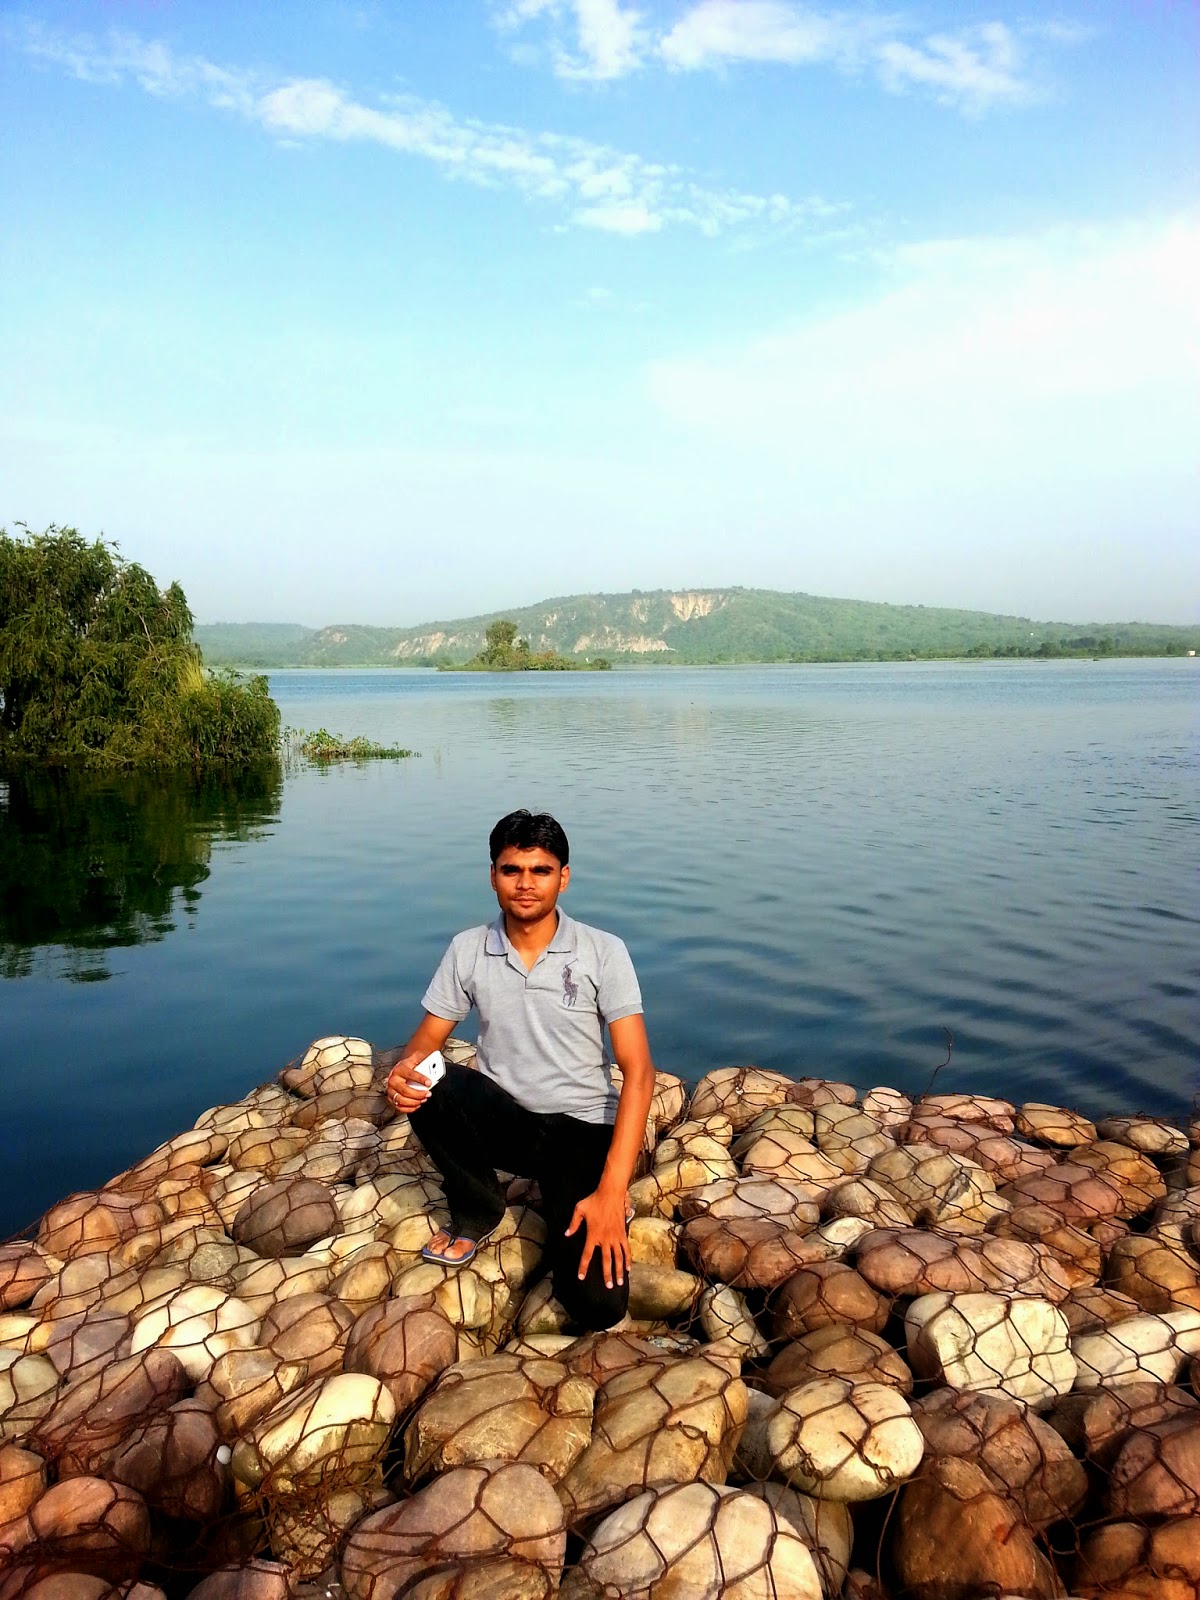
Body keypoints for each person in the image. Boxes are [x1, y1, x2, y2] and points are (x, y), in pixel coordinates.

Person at [385, 809, 655, 1331]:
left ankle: (584, 1195)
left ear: (564, 877)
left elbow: (638, 1072)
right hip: (505, 1119)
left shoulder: (604, 952)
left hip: (581, 1129)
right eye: (512, 870)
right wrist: (402, 1075)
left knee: (598, 1306)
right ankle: (478, 1207)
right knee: (428, 1079)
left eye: (540, 870)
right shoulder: (468, 948)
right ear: (493, 875)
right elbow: (426, 1043)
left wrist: (611, 1189)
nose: (525, 884)